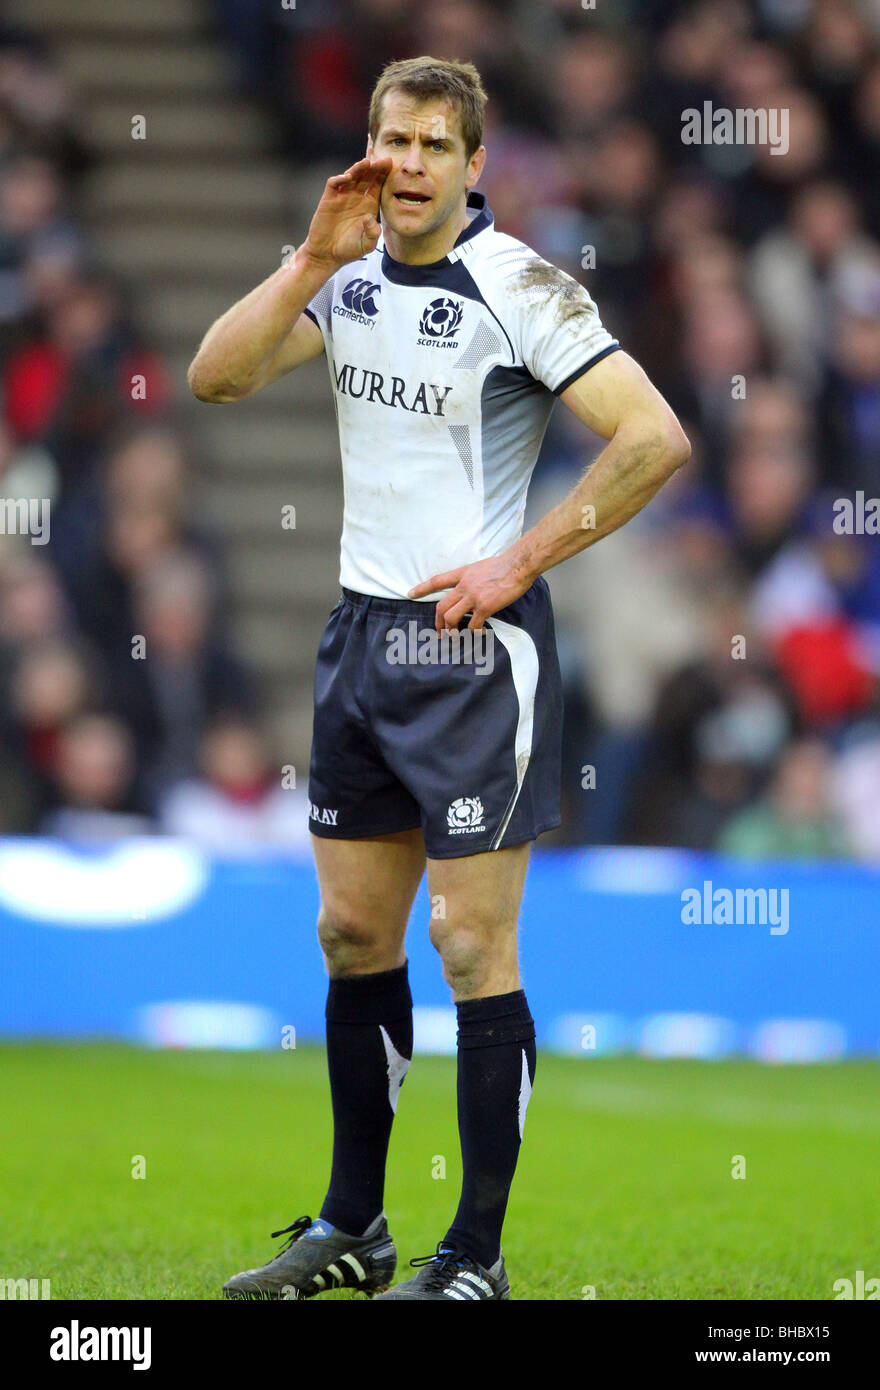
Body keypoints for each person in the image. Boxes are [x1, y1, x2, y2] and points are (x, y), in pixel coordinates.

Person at [188, 55, 690, 1302]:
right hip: (364, 638)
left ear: (474, 164)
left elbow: (655, 437)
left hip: (474, 655)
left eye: (428, 145)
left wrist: (517, 560)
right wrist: (307, 258)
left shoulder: (521, 285)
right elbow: (215, 375)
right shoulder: (345, 277)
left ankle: (476, 1252)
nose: (404, 163)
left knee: (469, 944)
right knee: (352, 930)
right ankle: (352, 1229)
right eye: (387, 139)